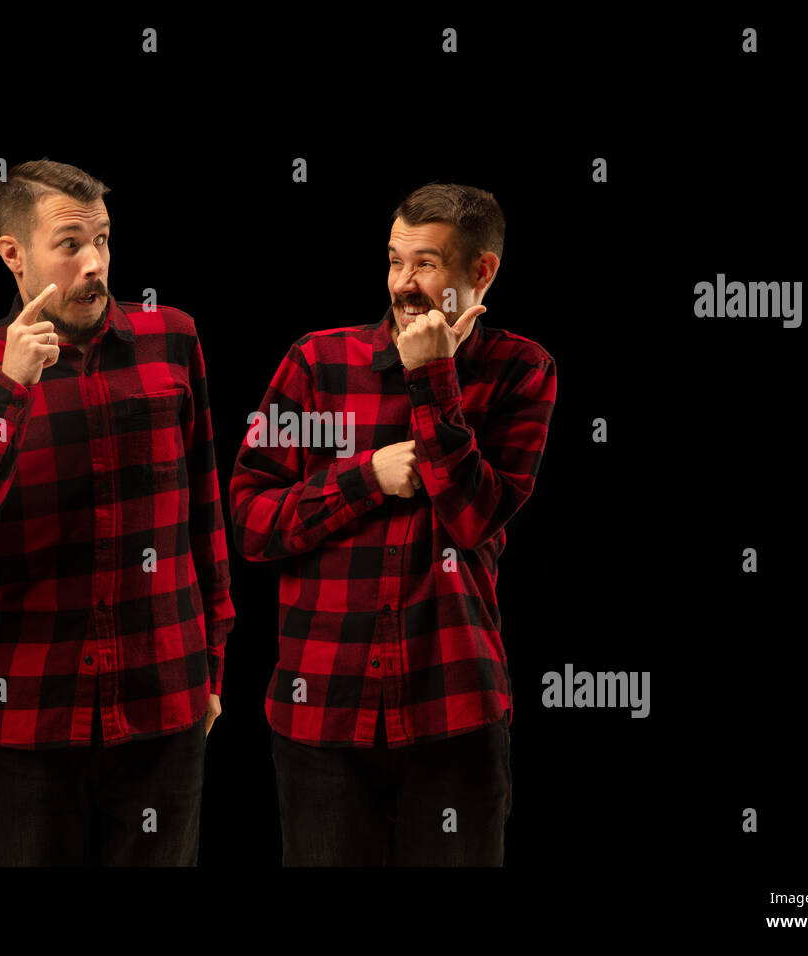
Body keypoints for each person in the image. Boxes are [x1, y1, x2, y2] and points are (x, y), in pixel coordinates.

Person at [0, 159, 234, 866]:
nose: (95, 264)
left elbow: (206, 513)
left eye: (104, 241)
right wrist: (11, 389)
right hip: (27, 713)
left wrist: (213, 667)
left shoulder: (172, 339)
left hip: (164, 705)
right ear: (13, 254)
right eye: (71, 244)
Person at [230, 182, 556, 865]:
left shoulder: (521, 370)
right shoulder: (317, 362)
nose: (403, 283)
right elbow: (252, 524)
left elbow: (472, 518)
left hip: (455, 710)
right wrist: (364, 478)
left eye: (427, 263)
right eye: (394, 259)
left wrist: (432, 377)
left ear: (483, 271)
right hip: (321, 708)